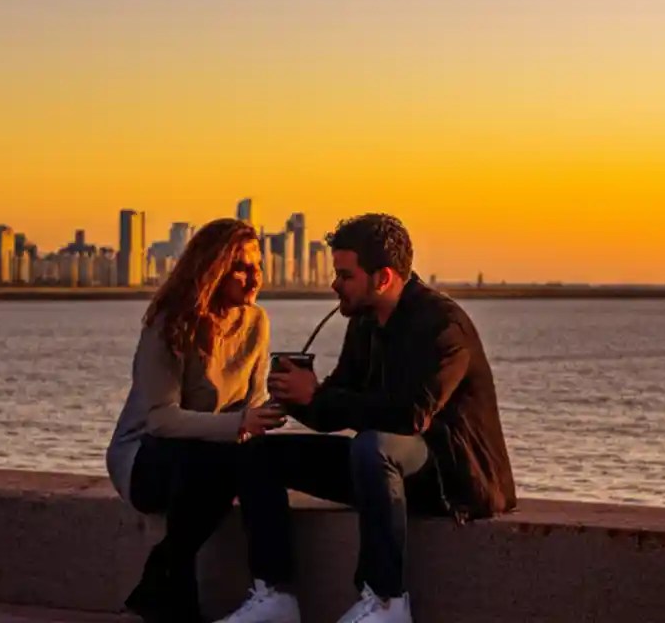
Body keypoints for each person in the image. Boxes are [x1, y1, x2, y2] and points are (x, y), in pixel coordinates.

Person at [217, 213, 516, 623]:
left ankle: (388, 602)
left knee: (372, 444)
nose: (334, 284)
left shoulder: (443, 326)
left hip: (453, 478)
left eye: (345, 275)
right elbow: (336, 404)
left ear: (383, 277)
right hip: (380, 470)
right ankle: (276, 598)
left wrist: (320, 395)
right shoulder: (364, 321)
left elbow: (411, 416)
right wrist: (297, 398)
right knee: (258, 455)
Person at [106, 218, 290, 623]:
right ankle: (169, 580)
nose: (254, 276)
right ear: (212, 269)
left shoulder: (256, 322)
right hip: (146, 459)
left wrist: (281, 406)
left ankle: (168, 581)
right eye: (240, 266)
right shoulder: (170, 324)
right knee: (200, 461)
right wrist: (239, 424)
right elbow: (159, 420)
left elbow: (251, 400)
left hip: (209, 458)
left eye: (258, 264)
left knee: (251, 459)